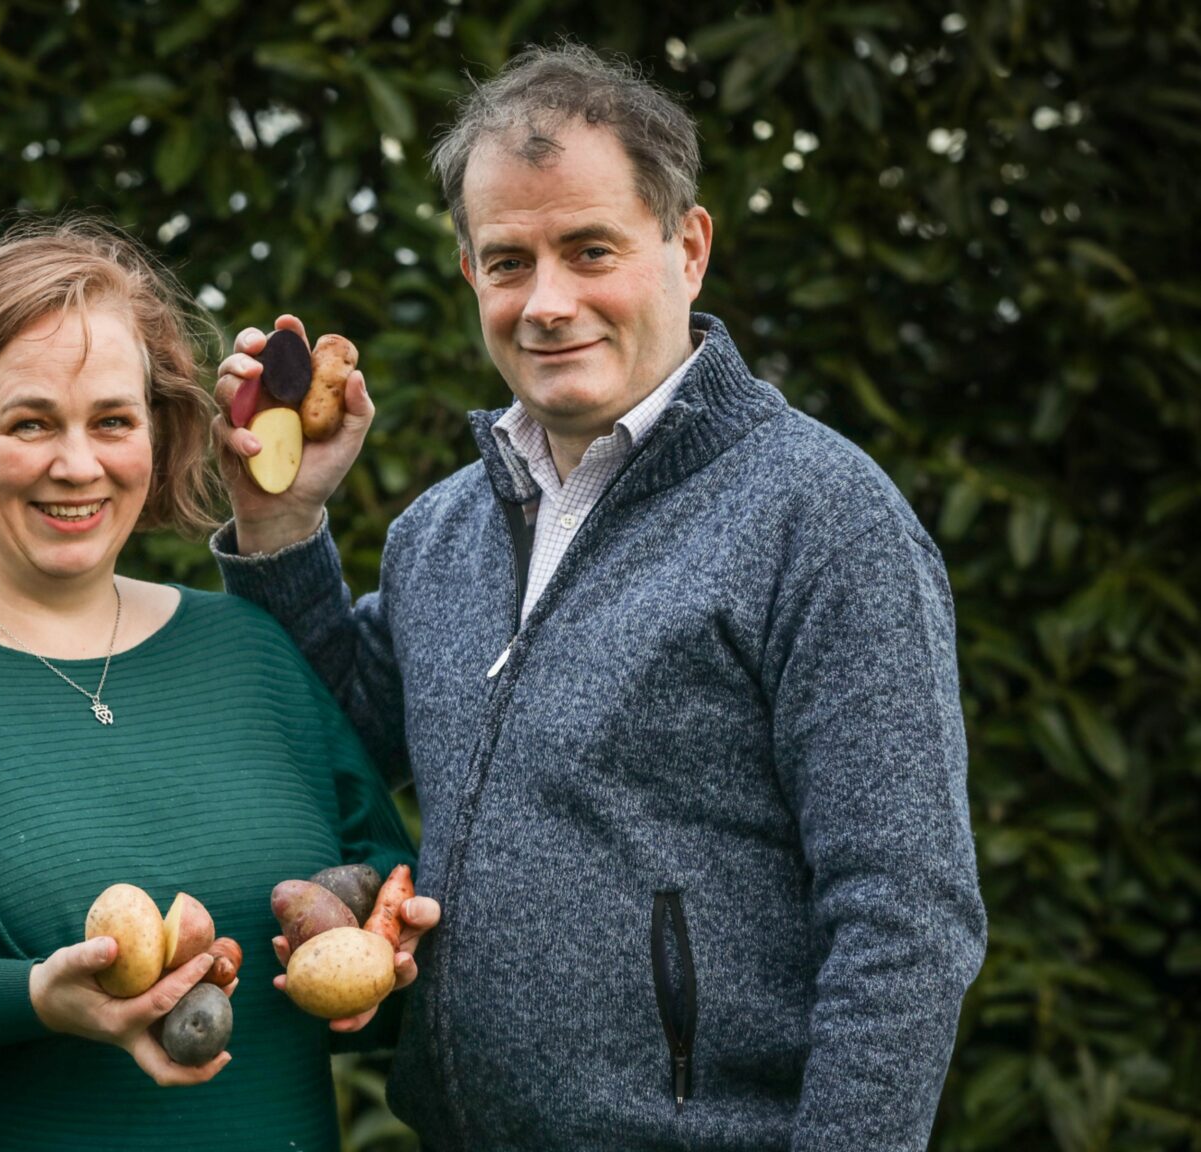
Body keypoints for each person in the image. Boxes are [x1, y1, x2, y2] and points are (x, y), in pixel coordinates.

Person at [211, 44, 987, 1151]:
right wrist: (280, 519)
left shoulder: (819, 517)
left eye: (589, 250)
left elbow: (906, 919)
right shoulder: (443, 529)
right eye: (509, 260)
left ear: (688, 246)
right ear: (469, 271)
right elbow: (332, 736)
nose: (548, 303)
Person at [0, 219, 438, 1151]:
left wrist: (387, 949)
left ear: (157, 433)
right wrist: (21, 1000)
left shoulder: (249, 654)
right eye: (29, 422)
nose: (78, 464)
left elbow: (372, 921)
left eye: (112, 421)